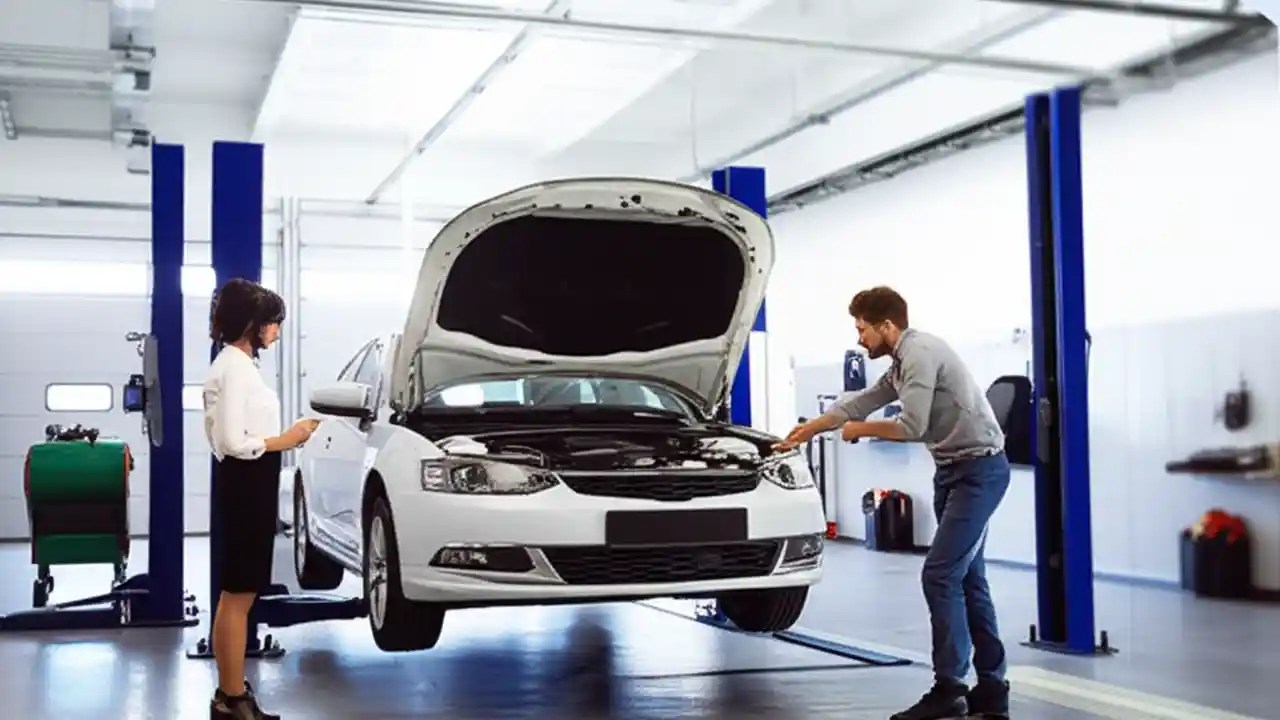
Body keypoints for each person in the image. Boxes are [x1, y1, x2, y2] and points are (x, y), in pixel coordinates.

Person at [776, 286, 1012, 720]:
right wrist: (812, 428)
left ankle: (950, 688)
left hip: (979, 472)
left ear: (887, 326)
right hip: (952, 471)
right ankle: (993, 690)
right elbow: (865, 400)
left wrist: (860, 430)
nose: (859, 338)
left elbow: (912, 425)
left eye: (862, 329)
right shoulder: (902, 362)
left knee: (940, 574)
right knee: (968, 580)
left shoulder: (920, 353)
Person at [204, 278, 319, 720]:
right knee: (238, 595)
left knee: (238, 593)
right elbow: (233, 440)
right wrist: (288, 438)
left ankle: (232, 694)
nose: (277, 331)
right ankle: (232, 700)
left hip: (248, 479)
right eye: (273, 322)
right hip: (246, 481)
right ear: (253, 323)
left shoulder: (236, 364)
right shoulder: (234, 367)